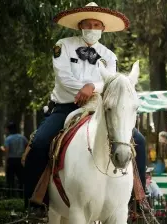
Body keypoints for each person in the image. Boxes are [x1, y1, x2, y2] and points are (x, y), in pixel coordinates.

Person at [24, 2, 146, 221]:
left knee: (139, 141)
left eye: (96, 24)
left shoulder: (109, 56)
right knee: (39, 143)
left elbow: (110, 83)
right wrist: (83, 89)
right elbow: (63, 76)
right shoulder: (63, 45)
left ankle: (139, 199)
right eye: (88, 24)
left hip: (99, 107)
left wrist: (92, 88)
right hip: (66, 107)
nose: (92, 27)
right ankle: (36, 202)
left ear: (102, 28)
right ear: (80, 26)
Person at [1, 122, 27, 189]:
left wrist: (6, 162)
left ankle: (10, 193)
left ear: (8, 129)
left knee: (10, 178)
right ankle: (22, 193)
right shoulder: (22, 137)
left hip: (11, 160)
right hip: (20, 160)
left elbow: (7, 151)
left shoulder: (8, 139)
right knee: (21, 177)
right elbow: (27, 147)